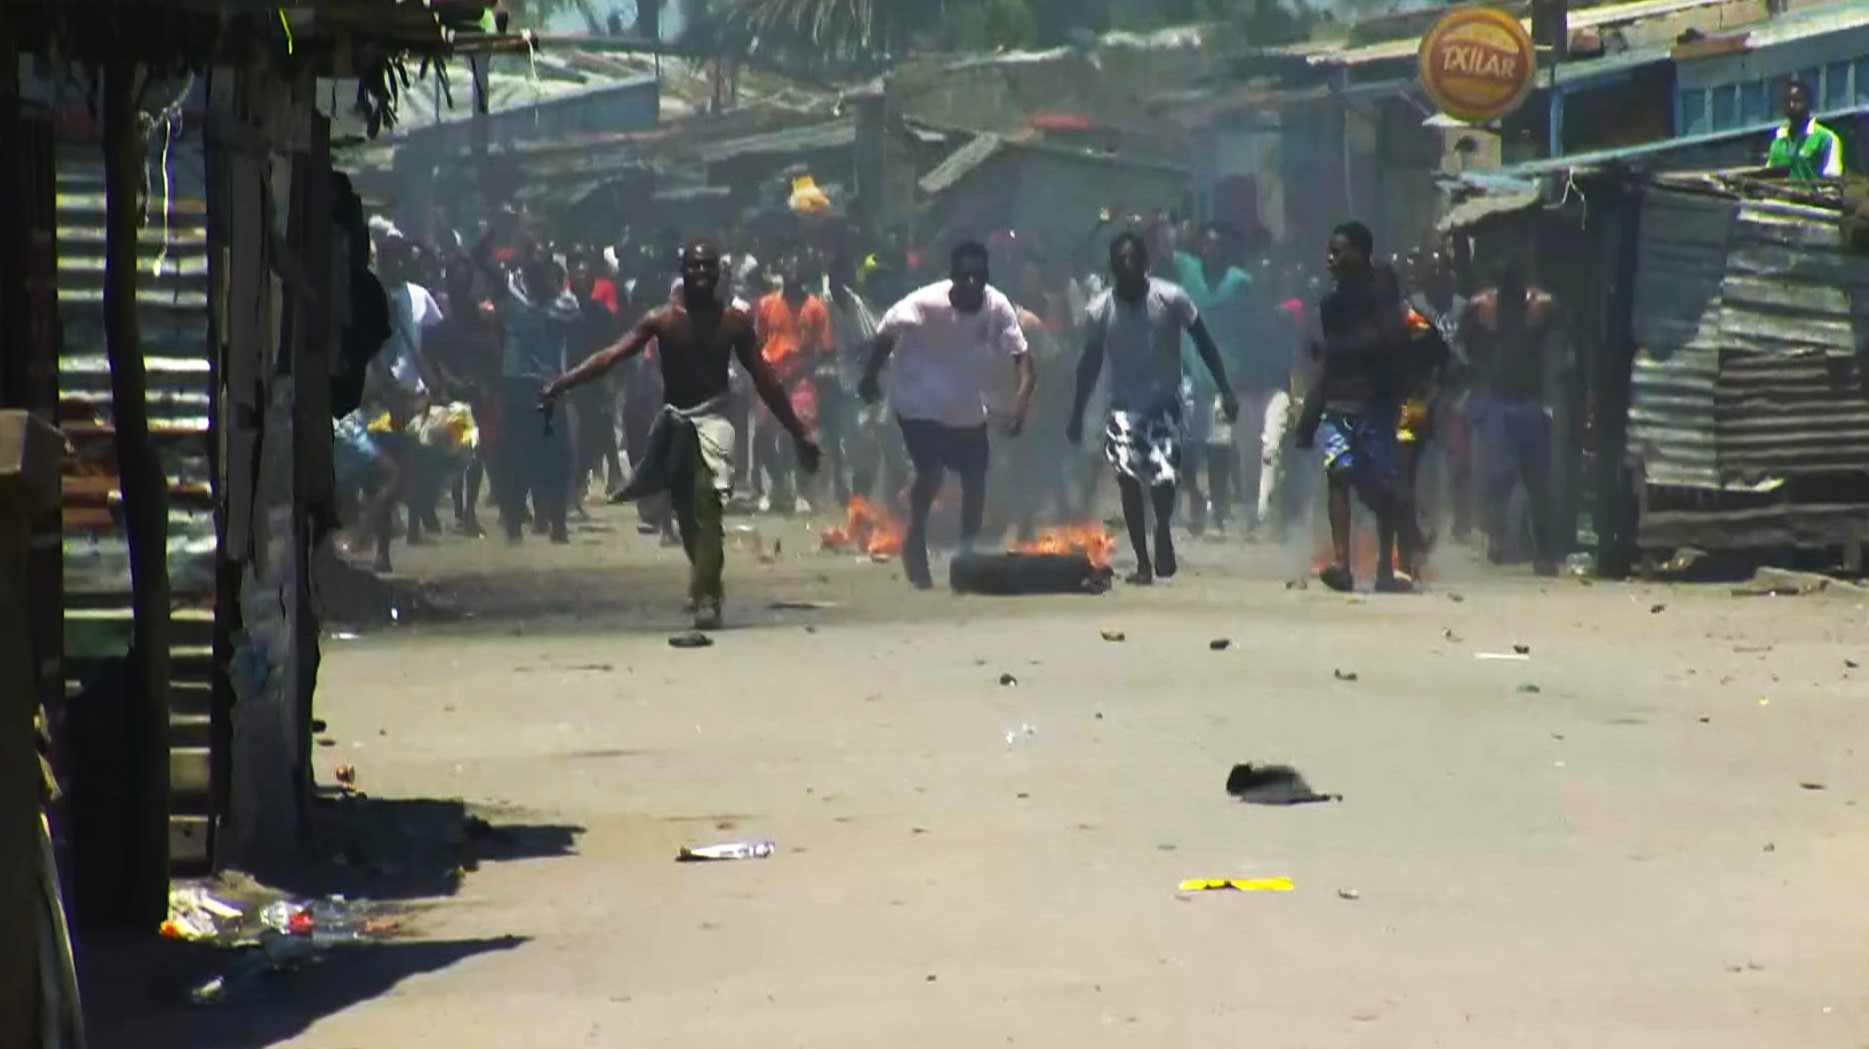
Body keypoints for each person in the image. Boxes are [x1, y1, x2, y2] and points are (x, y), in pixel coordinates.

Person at [542, 239, 821, 631]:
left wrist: (798, 432)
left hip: (715, 420)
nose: (701, 273)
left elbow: (765, 380)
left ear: (719, 274)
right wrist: (564, 382)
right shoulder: (663, 320)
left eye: (708, 266)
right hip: (675, 420)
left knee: (707, 502)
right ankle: (705, 576)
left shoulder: (733, 323)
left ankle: (707, 596)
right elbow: (611, 356)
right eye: (694, 266)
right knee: (687, 512)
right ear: (683, 272)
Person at [859, 241, 1035, 590]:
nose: (972, 283)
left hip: (965, 408)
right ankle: (915, 541)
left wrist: (1020, 404)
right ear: (952, 276)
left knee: (976, 481)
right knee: (931, 474)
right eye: (965, 276)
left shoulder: (996, 305)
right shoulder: (924, 303)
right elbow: (886, 333)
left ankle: (965, 557)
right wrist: (869, 377)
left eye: (979, 276)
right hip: (917, 403)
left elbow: (1024, 361)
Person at [1068, 232, 1238, 585]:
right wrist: (1077, 412)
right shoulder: (1100, 309)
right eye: (1121, 260)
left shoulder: (1171, 297)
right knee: (1128, 480)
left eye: (1134, 259)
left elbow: (1203, 341)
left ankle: (1162, 528)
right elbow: (1089, 363)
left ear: (1145, 263)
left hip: (1165, 406)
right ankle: (1143, 563)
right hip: (1122, 409)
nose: (1128, 265)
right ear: (1112, 267)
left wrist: (1225, 388)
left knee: (1163, 481)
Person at [1295, 222, 1419, 593]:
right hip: (1338, 403)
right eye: (1329, 251)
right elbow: (1328, 363)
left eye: (1338, 251)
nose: (1329, 259)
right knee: (1337, 475)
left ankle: (1385, 568)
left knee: (1381, 488)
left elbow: (1387, 344)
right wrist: (1311, 413)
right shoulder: (1330, 304)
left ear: (1361, 254)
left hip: (1376, 405)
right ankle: (1342, 564)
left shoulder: (1383, 300)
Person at [1462, 258, 1568, 576]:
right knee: (1500, 477)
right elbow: (1464, 347)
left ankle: (1543, 552)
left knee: (1536, 483)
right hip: (1499, 399)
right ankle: (1499, 540)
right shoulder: (1482, 307)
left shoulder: (1541, 307)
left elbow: (1564, 339)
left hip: (1530, 401)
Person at [478, 237, 580, 544]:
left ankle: (557, 522)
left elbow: (569, 332)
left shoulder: (565, 302)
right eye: (531, 261)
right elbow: (480, 257)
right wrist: (497, 229)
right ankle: (513, 522)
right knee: (515, 454)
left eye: (541, 262)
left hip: (549, 385)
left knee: (558, 455)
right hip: (517, 383)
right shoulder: (513, 289)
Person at [1172, 223, 1253, 534]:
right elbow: (1160, 249)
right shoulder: (1186, 268)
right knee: (1185, 446)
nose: (1211, 249)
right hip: (1188, 372)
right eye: (1206, 243)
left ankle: (1219, 506)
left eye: (1217, 245)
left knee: (1219, 446)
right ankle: (1194, 494)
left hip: (1223, 377)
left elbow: (1249, 322)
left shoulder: (1239, 282)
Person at [752, 253, 833, 514]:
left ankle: (801, 493)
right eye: (788, 269)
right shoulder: (767, 304)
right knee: (762, 435)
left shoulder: (816, 308)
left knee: (796, 433)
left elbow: (823, 350)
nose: (792, 274)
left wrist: (799, 371)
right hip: (771, 376)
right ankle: (778, 486)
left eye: (797, 270)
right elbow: (758, 341)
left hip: (801, 378)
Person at [567, 251, 621, 521]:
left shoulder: (601, 314)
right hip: (567, 385)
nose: (582, 279)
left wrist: (610, 384)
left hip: (593, 386)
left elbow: (611, 351)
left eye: (586, 275)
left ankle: (576, 493)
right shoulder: (562, 310)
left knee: (590, 444)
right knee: (570, 441)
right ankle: (565, 498)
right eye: (577, 274)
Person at [1767, 80, 1843, 181]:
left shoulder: (1825, 138)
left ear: (1809, 104)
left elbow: (1833, 180)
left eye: (1797, 101)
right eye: (1787, 101)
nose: (1791, 105)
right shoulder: (1778, 140)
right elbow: (1769, 176)